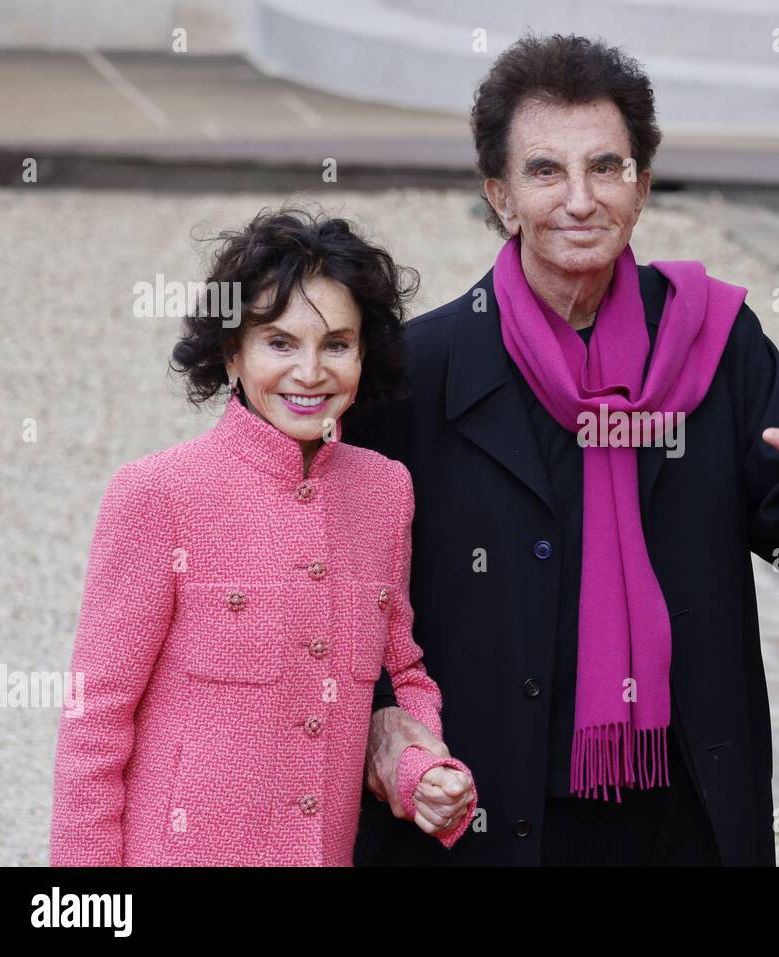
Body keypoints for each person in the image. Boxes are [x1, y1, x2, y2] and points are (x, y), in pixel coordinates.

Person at [349, 34, 779, 867]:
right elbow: (347, 579)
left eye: (605, 168)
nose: (579, 200)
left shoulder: (715, 341)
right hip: (482, 800)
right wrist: (386, 723)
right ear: (500, 196)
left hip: (679, 806)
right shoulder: (418, 370)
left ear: (641, 188)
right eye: (546, 172)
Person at [49, 207, 475, 865]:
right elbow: (94, 723)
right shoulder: (156, 494)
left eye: (337, 343)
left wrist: (419, 769)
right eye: (279, 342)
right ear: (232, 352)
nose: (310, 371)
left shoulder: (386, 491)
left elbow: (402, 670)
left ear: (365, 353)